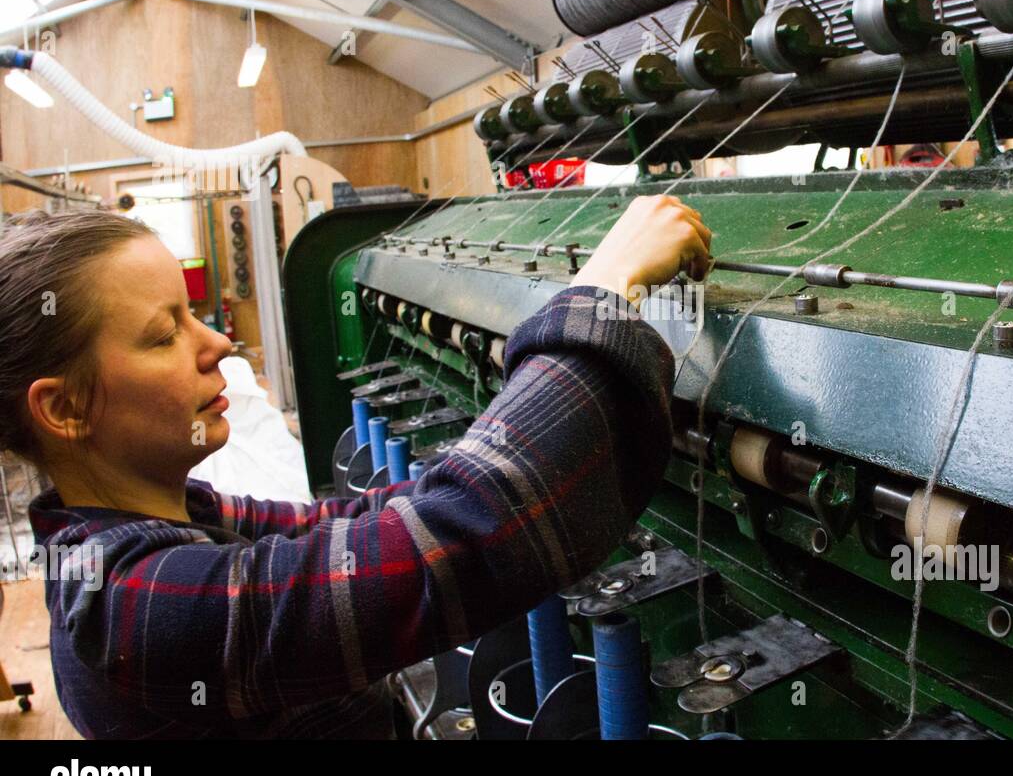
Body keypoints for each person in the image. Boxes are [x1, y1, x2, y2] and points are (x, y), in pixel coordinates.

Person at [1, 195, 712, 738]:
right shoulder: (135, 611)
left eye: (193, 315)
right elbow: (466, 535)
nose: (216, 342)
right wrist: (604, 290)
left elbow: (359, 524)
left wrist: (488, 437)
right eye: (163, 335)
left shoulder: (176, 521)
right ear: (64, 410)